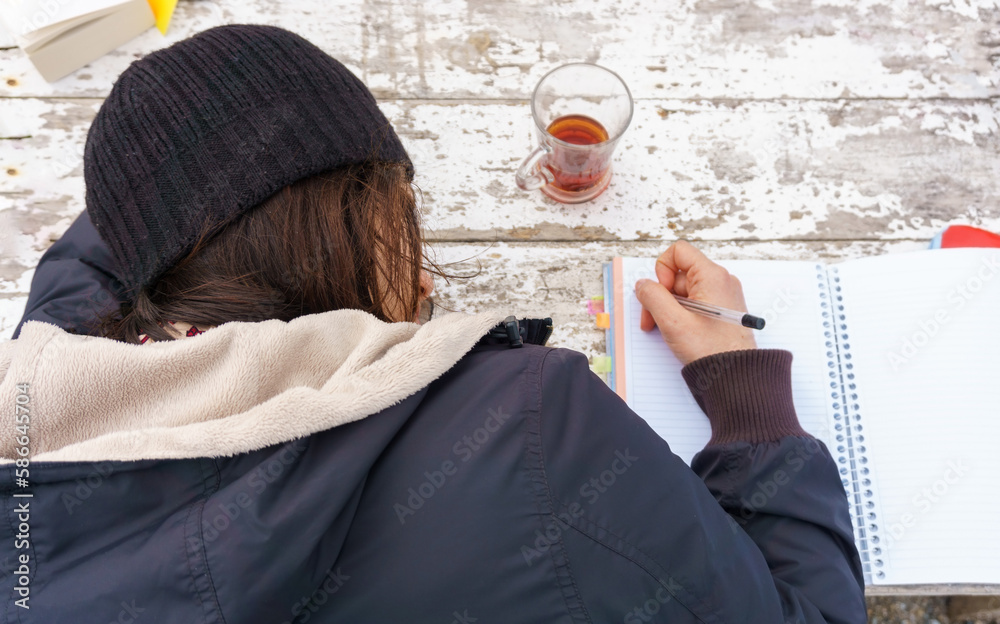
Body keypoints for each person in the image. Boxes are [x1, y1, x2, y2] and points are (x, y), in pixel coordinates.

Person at [0, 25, 866, 623]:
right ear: (338, 219)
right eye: (395, 202)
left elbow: (88, 265)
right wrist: (746, 398)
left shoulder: (51, 397)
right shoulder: (533, 427)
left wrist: (337, 282)